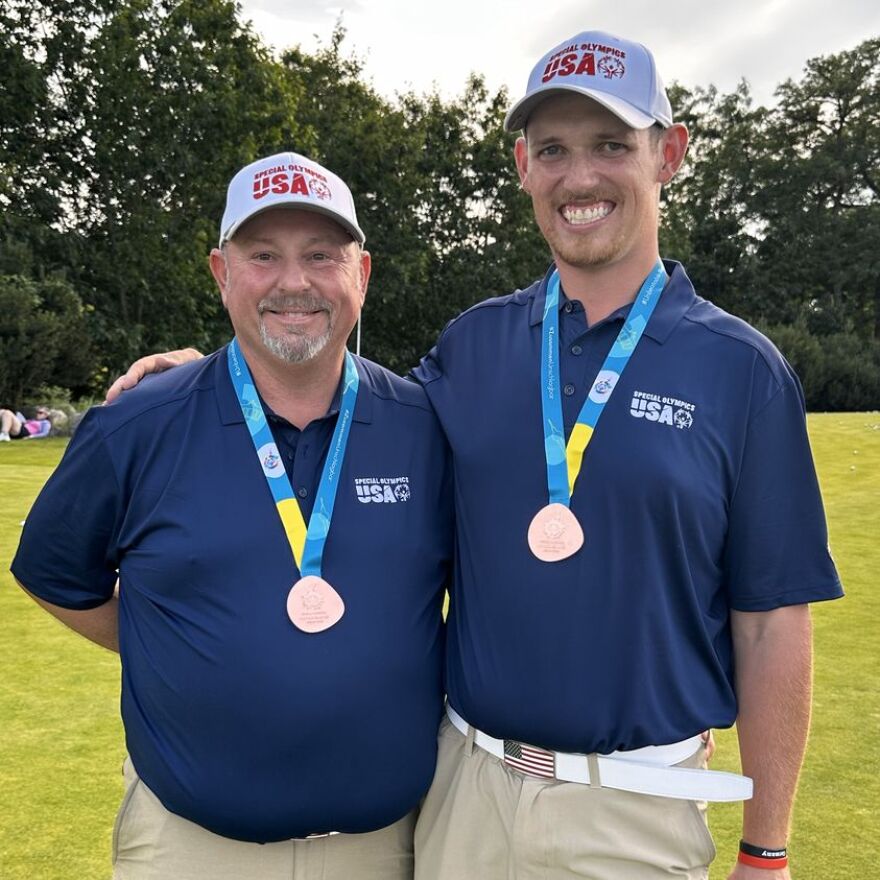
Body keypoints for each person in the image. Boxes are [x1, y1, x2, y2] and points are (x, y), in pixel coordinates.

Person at [106, 30, 842, 880]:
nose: (580, 177)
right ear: (524, 166)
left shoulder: (741, 369)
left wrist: (768, 847)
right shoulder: (474, 345)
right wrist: (210, 371)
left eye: (611, 145)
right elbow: (337, 398)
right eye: (554, 150)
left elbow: (774, 618)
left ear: (668, 155)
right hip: (459, 790)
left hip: (632, 806)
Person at [12, 151, 453, 880]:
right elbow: (54, 575)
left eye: (320, 255)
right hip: (187, 850)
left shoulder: (427, 429)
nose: (293, 282)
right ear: (221, 273)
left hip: (386, 849)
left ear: (362, 275)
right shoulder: (138, 423)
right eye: (262, 255)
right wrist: (170, 643)